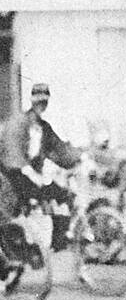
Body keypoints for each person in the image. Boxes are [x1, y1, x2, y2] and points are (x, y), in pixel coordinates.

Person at [0, 82, 81, 214]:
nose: (41, 105)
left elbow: (59, 150)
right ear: (32, 100)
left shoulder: (44, 128)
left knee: (63, 195)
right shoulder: (18, 122)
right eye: (38, 101)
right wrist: (31, 173)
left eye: (44, 102)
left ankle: (62, 233)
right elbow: (12, 152)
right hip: (12, 178)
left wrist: (79, 157)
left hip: (32, 178)